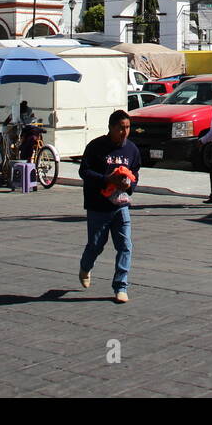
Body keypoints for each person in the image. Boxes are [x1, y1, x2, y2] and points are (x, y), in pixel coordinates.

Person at [78, 110, 141, 303]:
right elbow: (84, 172)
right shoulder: (96, 147)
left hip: (120, 205)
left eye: (128, 127)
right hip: (98, 206)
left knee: (125, 246)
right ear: (111, 127)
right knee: (96, 245)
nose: (125, 132)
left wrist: (130, 185)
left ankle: (121, 286)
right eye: (121, 128)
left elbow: (136, 173)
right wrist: (107, 179)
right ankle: (85, 267)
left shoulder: (132, 150)